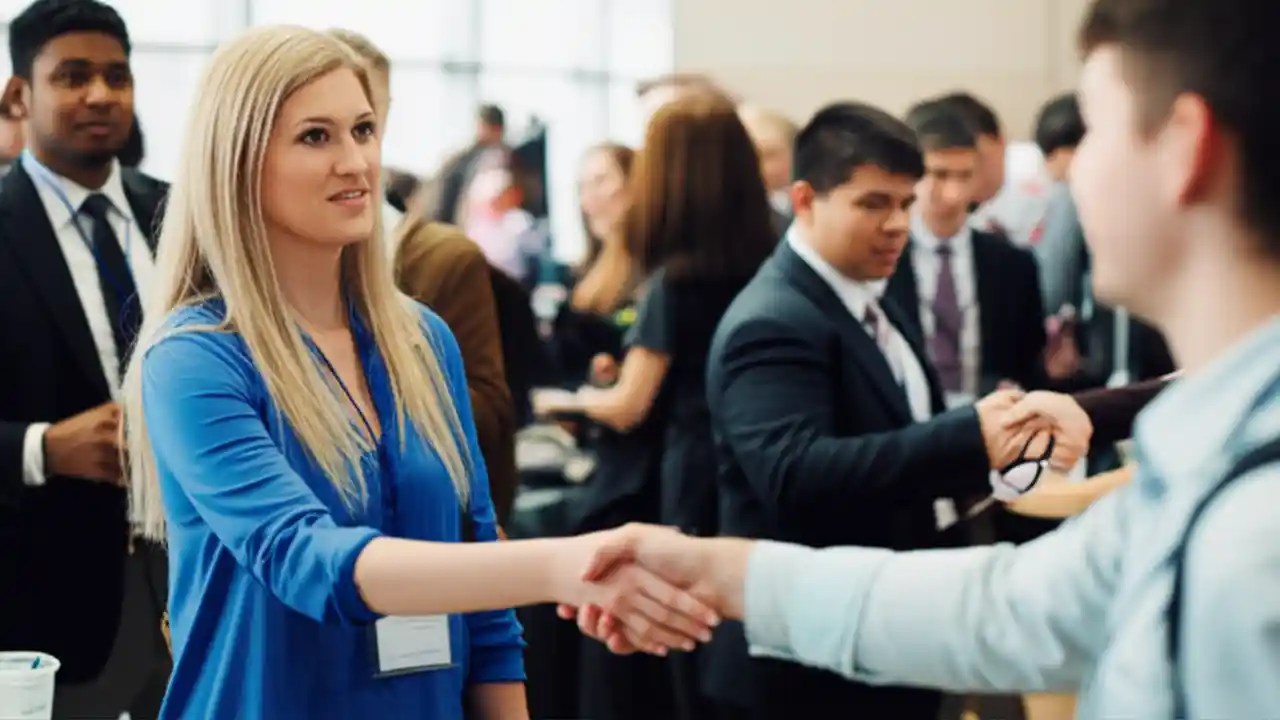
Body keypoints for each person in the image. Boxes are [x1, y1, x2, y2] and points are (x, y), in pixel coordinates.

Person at [573, 0, 1280, 715]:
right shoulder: (1208, 453)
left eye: (1093, 130)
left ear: (1184, 148)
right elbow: (1007, 606)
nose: (1068, 174)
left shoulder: (1252, 521)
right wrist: (726, 576)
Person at [121, 26, 716, 720]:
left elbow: (484, 602)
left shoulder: (421, 340)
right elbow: (302, 558)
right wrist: (564, 566)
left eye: (364, 129)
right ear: (237, 162)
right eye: (316, 136)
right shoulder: (194, 357)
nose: (357, 161)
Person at [694, 101, 1085, 720]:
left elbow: (898, 443)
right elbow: (794, 476)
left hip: (873, 637)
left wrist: (996, 454)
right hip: (802, 667)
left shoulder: (866, 295)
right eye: (873, 204)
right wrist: (968, 437)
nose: (898, 224)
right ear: (804, 199)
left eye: (905, 203)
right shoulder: (772, 320)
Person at [541, 94, 778, 720]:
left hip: (689, 474)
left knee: (680, 648)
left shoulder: (674, 283)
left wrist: (566, 401)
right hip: (756, 467)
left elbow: (629, 404)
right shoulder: (773, 266)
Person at [0, 1, 170, 716]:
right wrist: (41, 448)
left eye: (116, 76)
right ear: (19, 95)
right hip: (44, 594)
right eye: (72, 77)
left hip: (192, 583)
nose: (101, 95)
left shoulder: (183, 216)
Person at [332, 29, 518, 526]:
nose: (347, 154)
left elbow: (486, 424)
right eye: (315, 132)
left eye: (362, 125)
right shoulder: (207, 339)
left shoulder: (438, 270)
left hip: (418, 546)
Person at [888, 100, 1048, 406]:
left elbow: (1030, 365)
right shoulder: (881, 259)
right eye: (938, 174)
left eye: (964, 176)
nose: (954, 194)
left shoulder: (1012, 265)